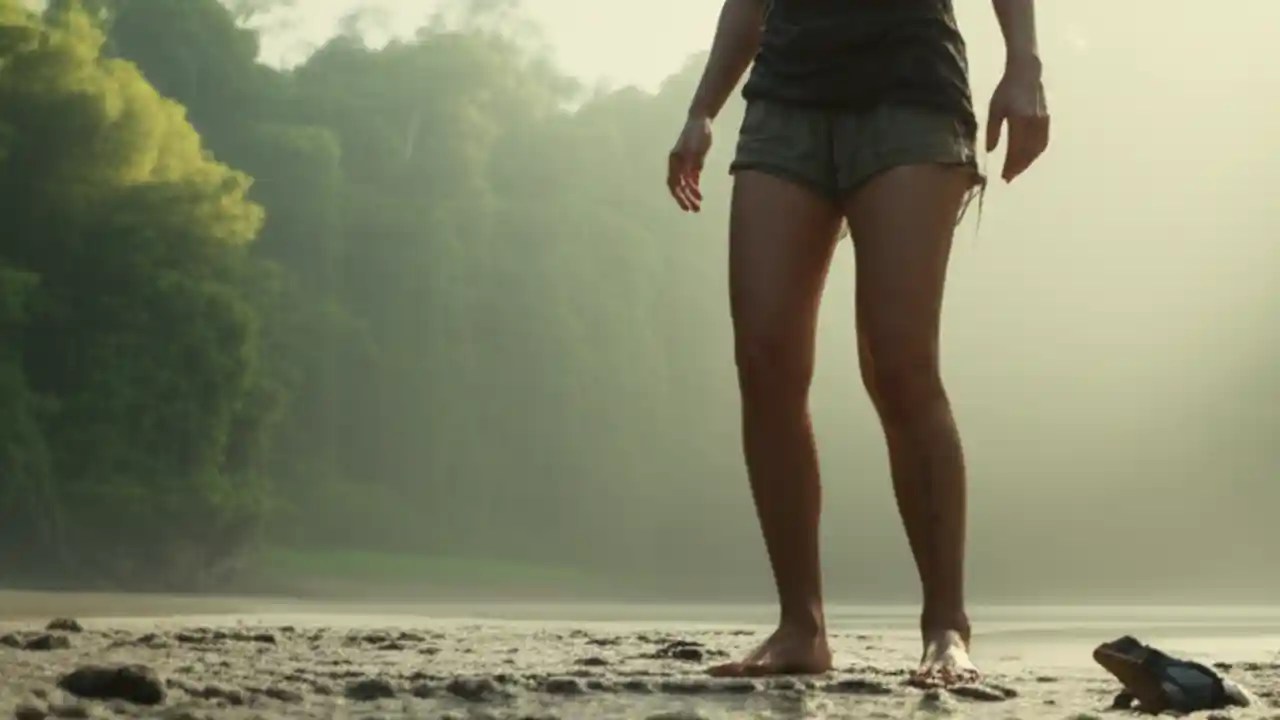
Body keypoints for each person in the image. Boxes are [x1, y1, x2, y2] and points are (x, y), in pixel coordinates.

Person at [665, 0, 1050, 684]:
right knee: (765, 361)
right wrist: (702, 111)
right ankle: (800, 627)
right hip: (785, 97)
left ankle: (945, 627)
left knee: (898, 363)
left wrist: (1023, 66)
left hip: (910, 93)